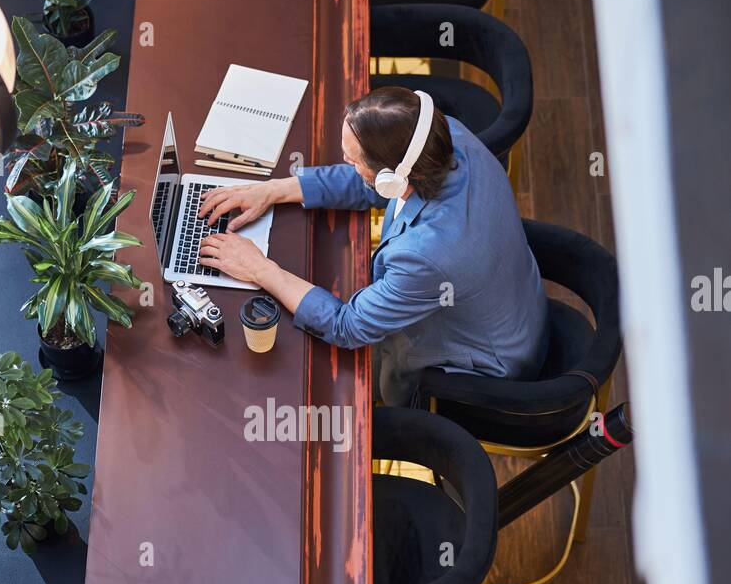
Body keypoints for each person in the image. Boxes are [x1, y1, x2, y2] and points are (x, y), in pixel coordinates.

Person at [198, 85, 549, 406]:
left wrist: (260, 269)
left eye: (353, 160)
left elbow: (346, 326)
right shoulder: (446, 137)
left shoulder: (427, 255)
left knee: (323, 381)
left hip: (488, 362)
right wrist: (274, 190)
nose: (347, 163)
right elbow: (371, 182)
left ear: (392, 177)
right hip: (515, 303)